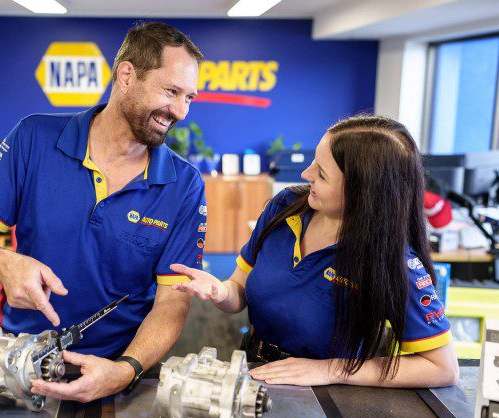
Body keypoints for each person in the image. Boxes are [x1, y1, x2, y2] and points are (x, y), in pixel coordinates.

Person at [0, 22, 207, 402]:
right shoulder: (33, 139)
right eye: (171, 91)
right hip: (19, 362)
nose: (181, 111)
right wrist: (2, 263)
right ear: (126, 75)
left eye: (189, 98)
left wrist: (125, 370)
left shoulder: (184, 185)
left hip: (119, 370)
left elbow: (173, 300)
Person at [171, 115, 459, 388]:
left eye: (321, 174)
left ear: (362, 192)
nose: (305, 174)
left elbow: (442, 368)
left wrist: (331, 370)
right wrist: (221, 292)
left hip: (330, 392)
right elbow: (239, 290)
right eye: (313, 163)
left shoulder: (394, 262)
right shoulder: (285, 208)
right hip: (256, 367)